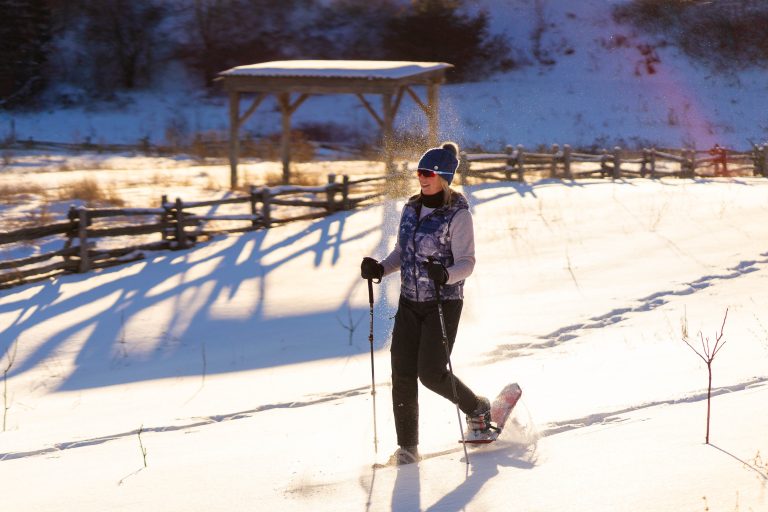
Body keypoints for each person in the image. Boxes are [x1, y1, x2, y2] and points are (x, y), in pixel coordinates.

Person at [360, 141, 490, 465]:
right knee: (402, 371)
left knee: (430, 373)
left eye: (427, 172)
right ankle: (407, 448)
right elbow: (402, 253)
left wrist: (444, 275)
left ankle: (477, 408)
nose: (421, 177)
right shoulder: (411, 208)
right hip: (409, 302)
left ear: (444, 175)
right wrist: (380, 268)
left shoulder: (457, 215)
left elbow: (468, 263)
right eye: (419, 171)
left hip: (443, 304)